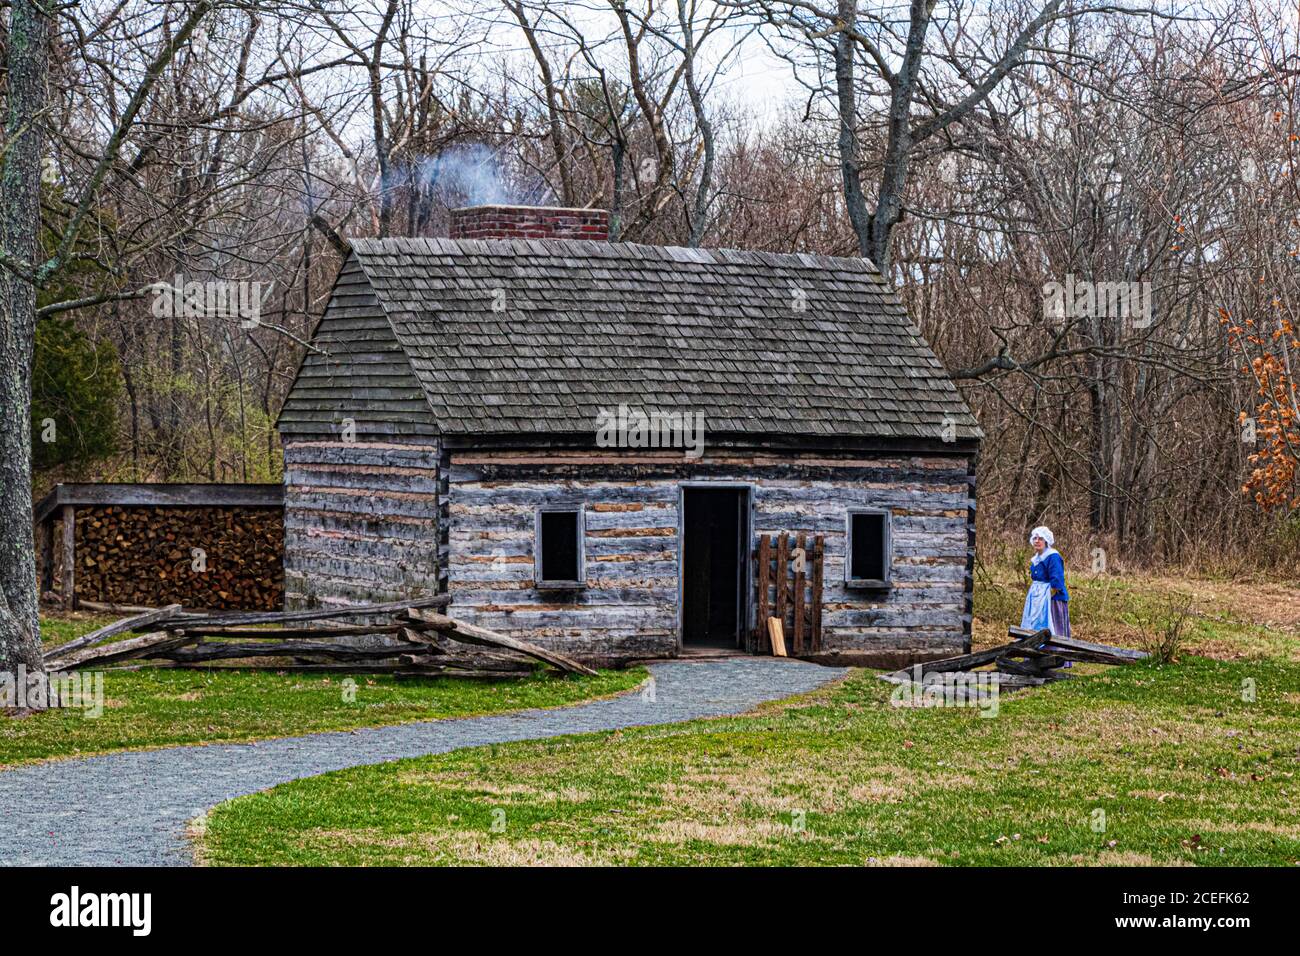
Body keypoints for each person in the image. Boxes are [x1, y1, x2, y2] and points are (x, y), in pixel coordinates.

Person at [1020, 525, 1071, 639]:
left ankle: (1055, 649)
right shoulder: (1037, 557)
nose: (1037, 541)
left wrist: (1049, 595)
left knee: (1051, 623)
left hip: (1051, 598)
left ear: (1046, 541)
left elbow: (1057, 578)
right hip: (1037, 597)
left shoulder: (1052, 556)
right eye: (1035, 538)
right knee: (1035, 621)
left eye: (1040, 539)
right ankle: (1034, 645)